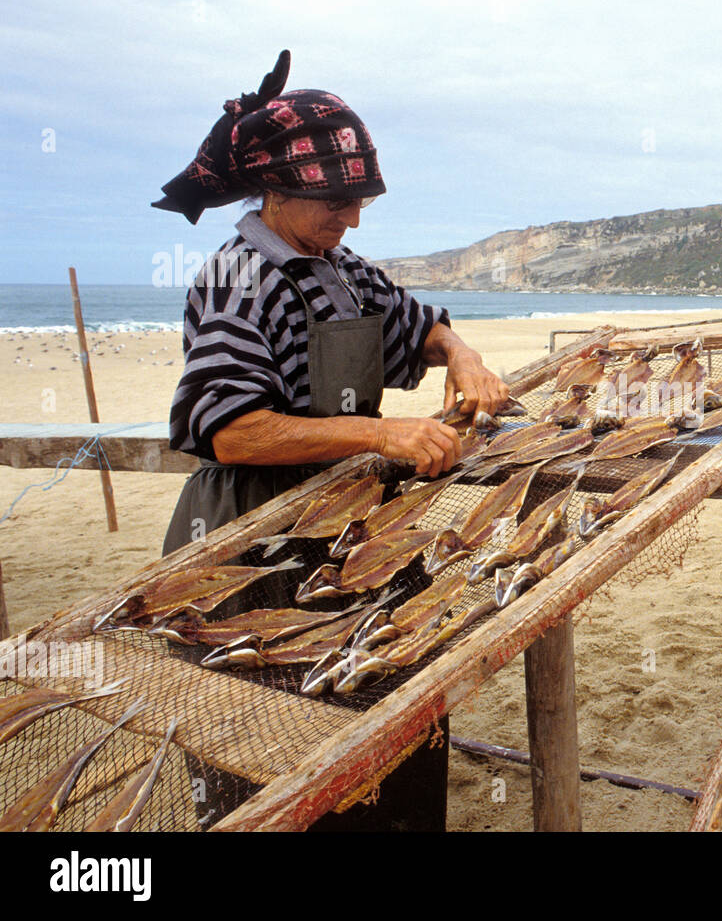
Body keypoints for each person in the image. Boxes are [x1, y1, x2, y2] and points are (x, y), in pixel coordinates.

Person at [153, 50, 503, 830]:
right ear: (275, 192)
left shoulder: (341, 268)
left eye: (357, 203)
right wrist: (382, 432)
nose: (351, 219)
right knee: (267, 741)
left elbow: (424, 327)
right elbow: (231, 428)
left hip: (347, 522)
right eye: (336, 202)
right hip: (252, 541)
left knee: (381, 704)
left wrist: (466, 357)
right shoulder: (238, 277)